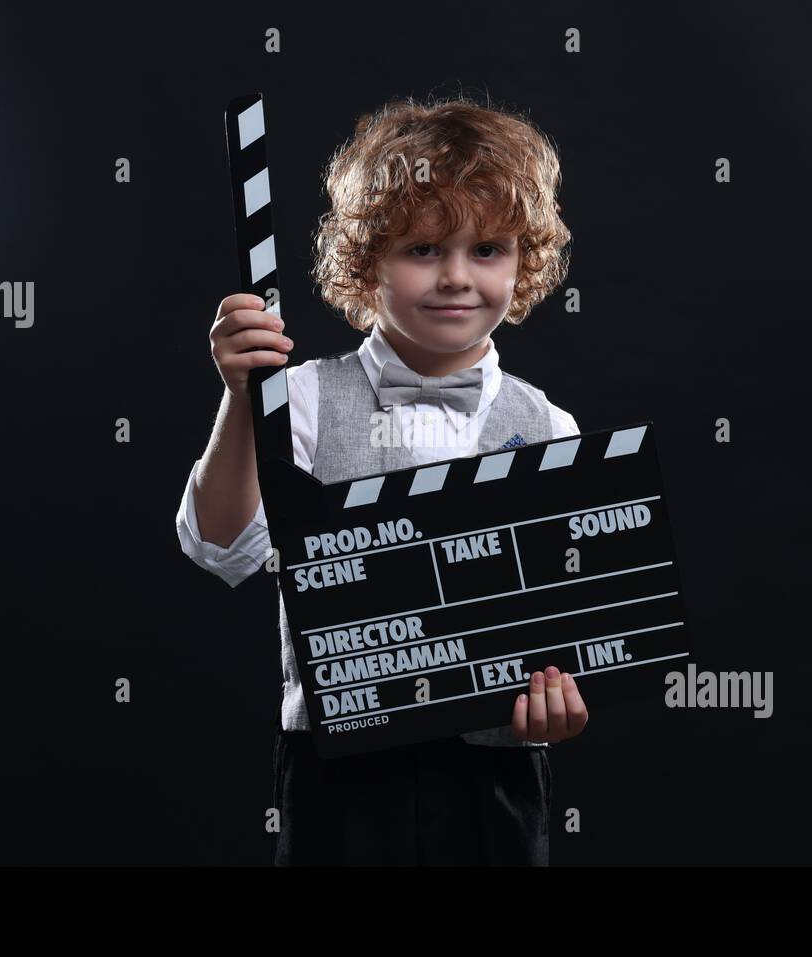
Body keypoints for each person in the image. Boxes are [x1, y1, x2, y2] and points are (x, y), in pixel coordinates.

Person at [176, 94, 588, 865]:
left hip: (497, 776)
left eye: (489, 249)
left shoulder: (551, 430)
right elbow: (222, 547)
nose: (457, 278)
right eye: (423, 250)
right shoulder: (293, 398)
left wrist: (555, 701)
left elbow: (559, 634)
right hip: (339, 775)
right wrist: (241, 400)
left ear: (524, 259)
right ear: (366, 259)